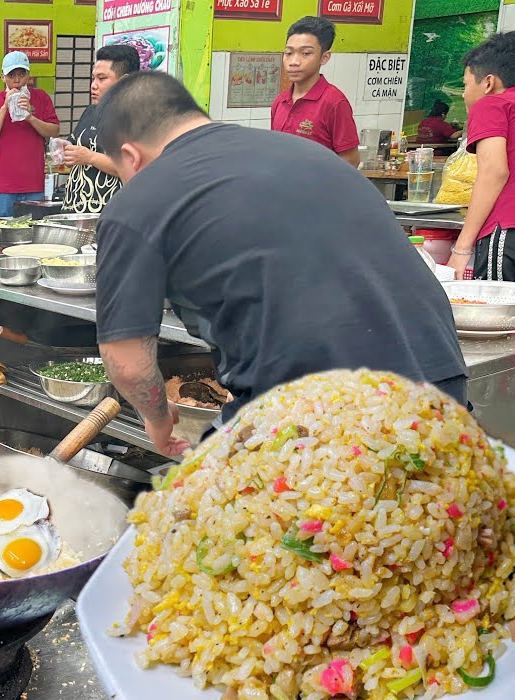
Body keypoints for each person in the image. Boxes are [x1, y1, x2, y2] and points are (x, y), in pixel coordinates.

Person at [89, 72, 466, 457]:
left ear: (131, 156)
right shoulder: (310, 153)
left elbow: (128, 363)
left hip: (315, 420)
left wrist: (156, 417)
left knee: (212, 509)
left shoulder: (137, 201)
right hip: (441, 391)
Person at [448, 33, 515, 282]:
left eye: (465, 85)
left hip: (507, 228)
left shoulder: (492, 105)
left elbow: (494, 172)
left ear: (488, 82)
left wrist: (461, 248)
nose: (464, 94)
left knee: (501, 317)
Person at [0, 52, 61, 221]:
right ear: (2, 77)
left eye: (21, 74)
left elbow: (54, 131)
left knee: (32, 241)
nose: (17, 80)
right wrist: (4, 107)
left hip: (33, 185)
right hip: (2, 187)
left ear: (28, 75)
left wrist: (30, 116)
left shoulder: (41, 97)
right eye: (11, 75)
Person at [270, 17, 360, 167]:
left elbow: (351, 160)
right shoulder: (280, 102)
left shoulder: (334, 103)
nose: (294, 61)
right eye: (288, 53)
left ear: (324, 57)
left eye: (305, 53)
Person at [61, 45, 140, 214]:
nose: (93, 85)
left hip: (112, 215)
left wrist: (89, 157)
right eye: (93, 78)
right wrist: (65, 151)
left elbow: (134, 168)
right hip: (75, 210)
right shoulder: (91, 111)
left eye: (101, 79)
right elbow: (75, 148)